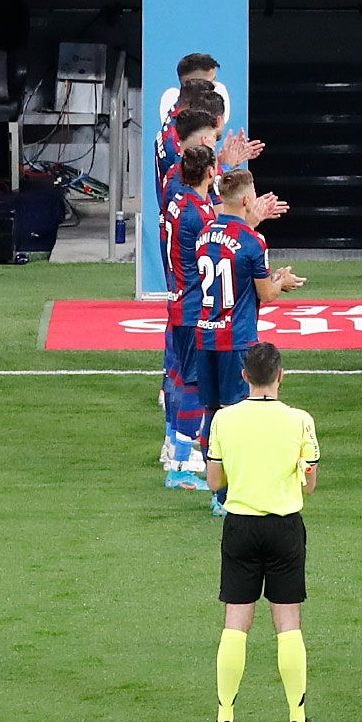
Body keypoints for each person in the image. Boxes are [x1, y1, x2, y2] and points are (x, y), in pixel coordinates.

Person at [204, 342, 320, 722]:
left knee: (236, 623)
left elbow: (215, 481)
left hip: (240, 527)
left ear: (244, 377)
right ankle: (297, 718)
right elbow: (310, 483)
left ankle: (225, 718)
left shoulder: (224, 420)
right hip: (285, 528)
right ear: (280, 376)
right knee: (287, 624)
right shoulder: (300, 421)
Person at [196, 170, 308, 514]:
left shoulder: (204, 234)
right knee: (236, 416)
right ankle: (229, 496)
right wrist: (282, 281)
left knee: (212, 413)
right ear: (246, 200)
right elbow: (266, 294)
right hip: (236, 339)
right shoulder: (253, 241)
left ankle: (215, 490)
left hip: (205, 334)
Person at [162, 145, 219, 492]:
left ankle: (177, 450)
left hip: (179, 300)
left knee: (184, 379)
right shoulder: (200, 214)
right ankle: (181, 464)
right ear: (210, 172)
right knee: (195, 384)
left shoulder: (178, 201)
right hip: (194, 307)